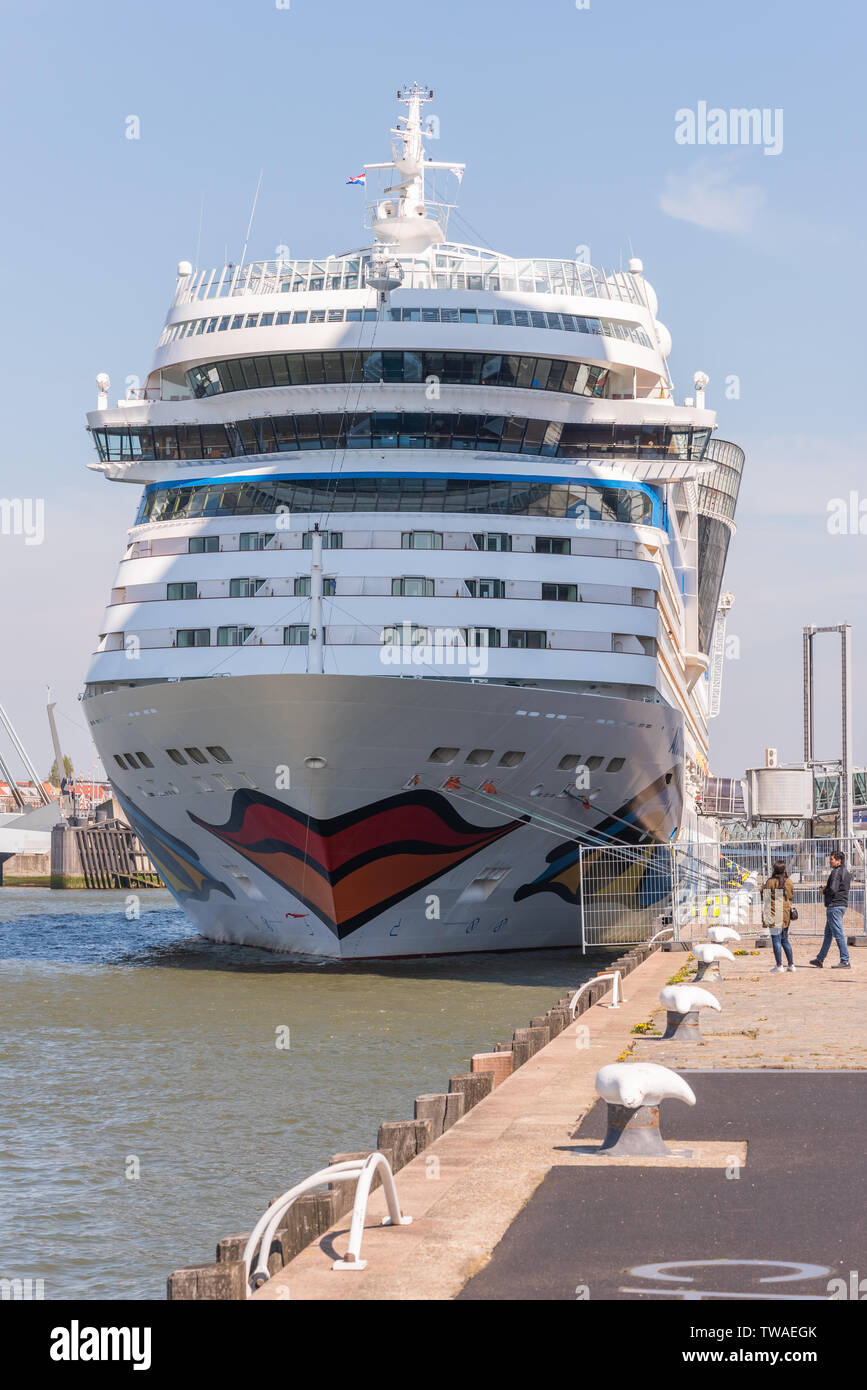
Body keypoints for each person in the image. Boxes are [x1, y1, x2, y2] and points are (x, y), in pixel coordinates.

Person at [810, 851, 852, 969]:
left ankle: (845, 960)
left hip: (835, 906)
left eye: (832, 859)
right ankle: (820, 959)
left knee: (838, 934)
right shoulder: (846, 873)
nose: (830, 861)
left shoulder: (836, 872)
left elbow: (833, 889)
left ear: (839, 861)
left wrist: (824, 890)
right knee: (828, 934)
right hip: (841, 904)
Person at [761, 859, 795, 973]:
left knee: (776, 940)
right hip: (784, 913)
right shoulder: (789, 881)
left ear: (774, 869)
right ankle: (791, 965)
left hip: (773, 912)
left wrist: (762, 889)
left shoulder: (770, 882)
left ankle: (779, 965)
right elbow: (790, 897)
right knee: (785, 940)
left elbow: (765, 898)